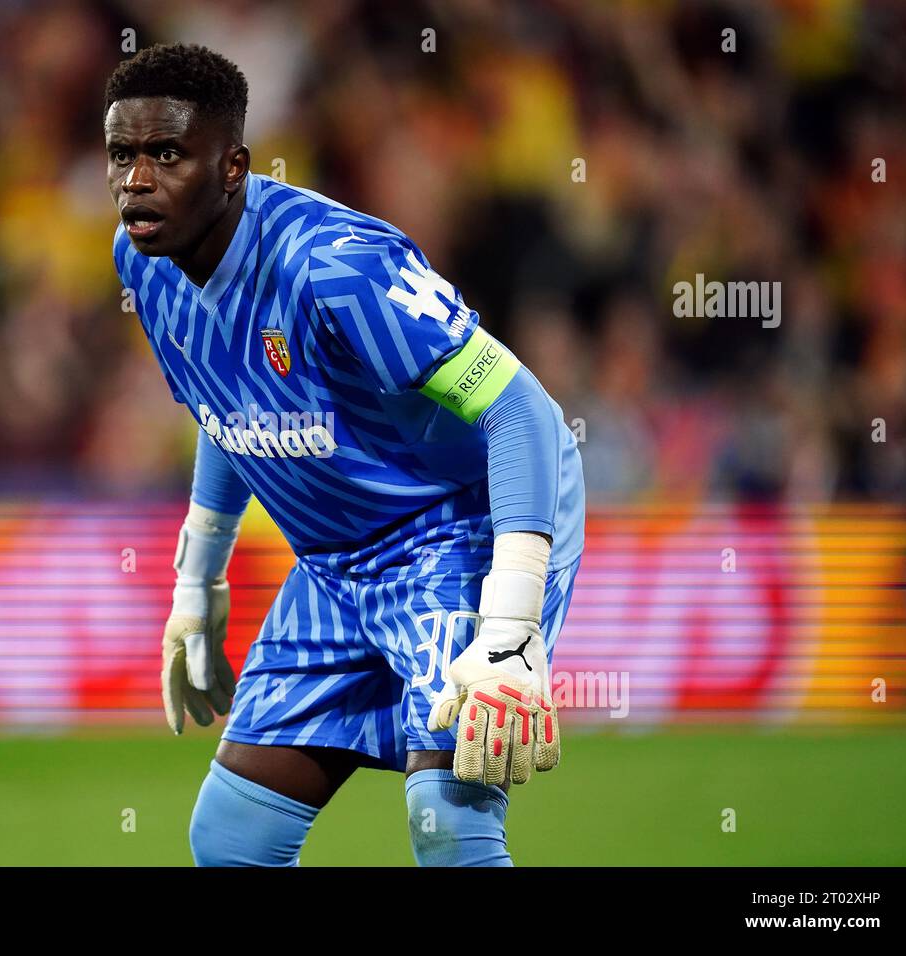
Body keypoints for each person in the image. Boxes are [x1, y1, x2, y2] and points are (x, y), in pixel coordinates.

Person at [104, 43, 584, 866]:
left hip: (457, 529)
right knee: (231, 839)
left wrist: (509, 624)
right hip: (335, 563)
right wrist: (200, 577)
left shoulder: (338, 267)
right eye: (122, 155)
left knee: (449, 829)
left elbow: (524, 411)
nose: (136, 181)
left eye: (167, 154)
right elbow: (227, 412)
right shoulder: (143, 263)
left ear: (232, 167)